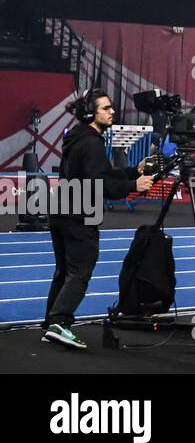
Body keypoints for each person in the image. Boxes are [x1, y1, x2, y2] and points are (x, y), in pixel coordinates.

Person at [43, 89, 154, 349]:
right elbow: (99, 183)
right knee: (80, 271)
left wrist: (130, 171)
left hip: (61, 211)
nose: (112, 111)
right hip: (79, 215)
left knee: (63, 271)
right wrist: (133, 185)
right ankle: (60, 322)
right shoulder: (92, 143)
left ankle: (51, 323)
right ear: (91, 113)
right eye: (106, 108)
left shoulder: (79, 138)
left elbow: (99, 172)